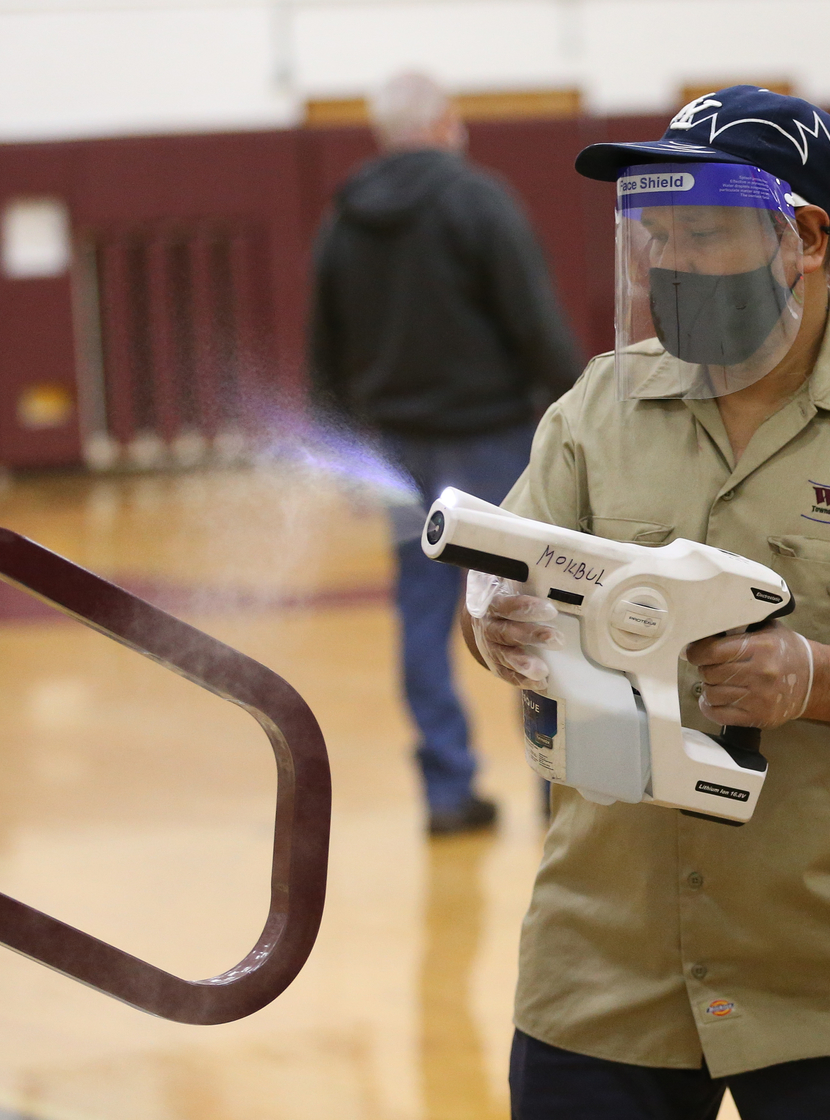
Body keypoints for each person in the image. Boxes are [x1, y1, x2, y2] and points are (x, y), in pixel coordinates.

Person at [462, 86, 830, 1118]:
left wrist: (815, 677)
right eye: (657, 236)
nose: (671, 263)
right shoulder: (596, 408)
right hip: (601, 976)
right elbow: (499, 591)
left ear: (804, 239)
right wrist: (495, 628)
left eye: (705, 234)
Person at [309, 72, 580, 835]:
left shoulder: (344, 219)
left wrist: (341, 447)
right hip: (492, 439)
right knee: (530, 608)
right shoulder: (479, 201)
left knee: (421, 614)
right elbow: (533, 320)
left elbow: (323, 346)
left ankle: (446, 791)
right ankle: (555, 784)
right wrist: (582, 407)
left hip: (398, 454)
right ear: (442, 123)